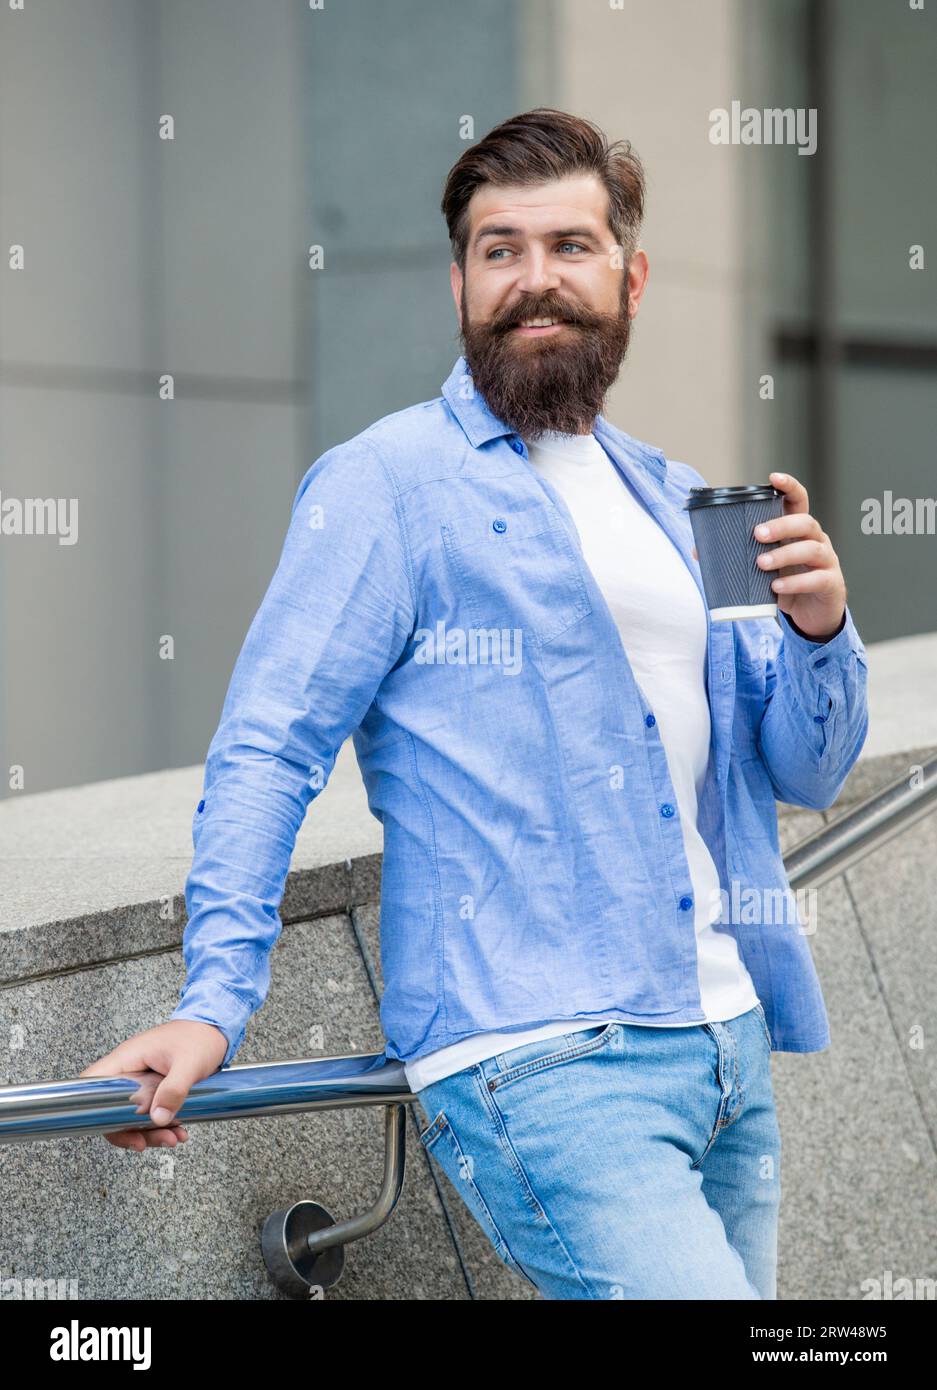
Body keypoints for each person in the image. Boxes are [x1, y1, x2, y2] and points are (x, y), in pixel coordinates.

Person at [82, 108, 869, 1299]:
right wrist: (214, 1003)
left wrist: (819, 632)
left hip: (728, 1044)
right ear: (458, 278)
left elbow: (807, 771)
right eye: (500, 249)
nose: (533, 279)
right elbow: (267, 747)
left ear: (631, 275)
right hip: (546, 1061)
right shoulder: (386, 485)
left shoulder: (679, 500)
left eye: (569, 246)